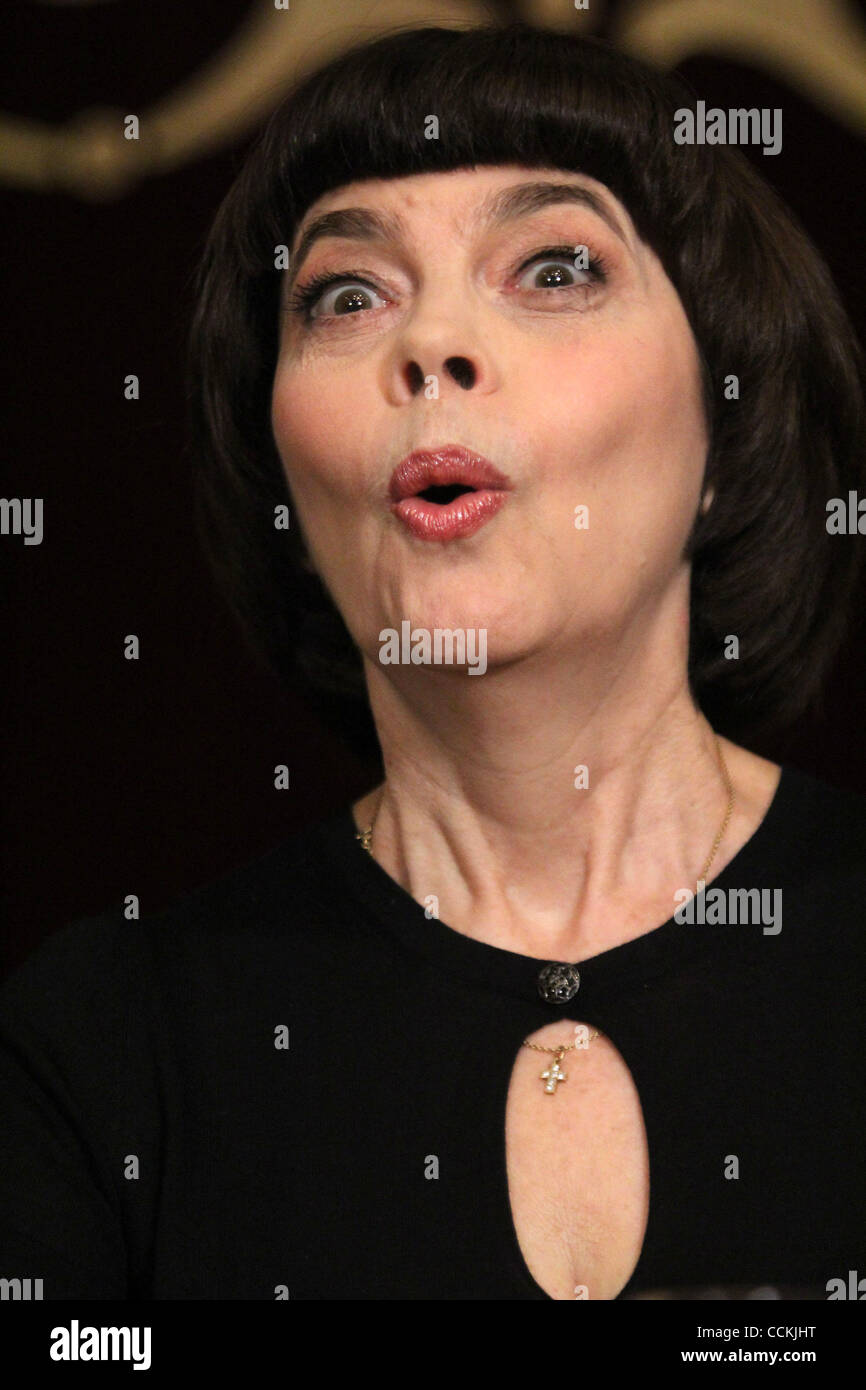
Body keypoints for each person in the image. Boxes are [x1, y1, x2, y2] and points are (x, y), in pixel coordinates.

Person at [2, 20, 865, 1302]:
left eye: (554, 267)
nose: (431, 348)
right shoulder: (99, 1046)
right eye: (347, 294)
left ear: (727, 425)